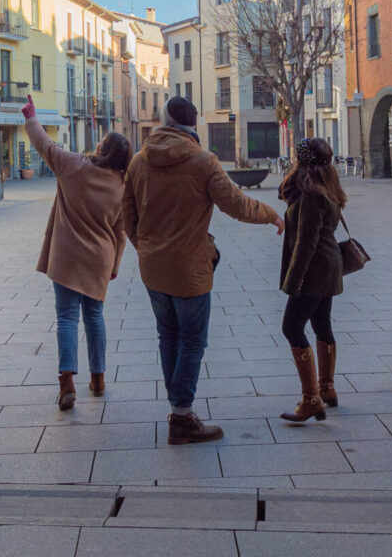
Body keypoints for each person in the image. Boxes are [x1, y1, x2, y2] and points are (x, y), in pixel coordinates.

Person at [123, 94, 282, 444]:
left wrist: (147, 248)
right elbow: (236, 205)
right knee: (192, 340)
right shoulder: (203, 161)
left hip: (153, 267)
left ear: (165, 120)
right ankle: (181, 416)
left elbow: (127, 216)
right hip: (190, 268)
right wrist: (271, 215)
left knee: (168, 336)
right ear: (193, 124)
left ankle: (178, 408)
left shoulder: (138, 162)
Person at [22, 96, 130, 410]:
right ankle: (97, 379)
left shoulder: (73, 165)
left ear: (102, 149)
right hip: (100, 257)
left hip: (66, 256)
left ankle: (66, 382)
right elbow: (121, 232)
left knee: (66, 318)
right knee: (94, 317)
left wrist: (31, 115)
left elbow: (44, 145)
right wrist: (115, 263)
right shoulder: (120, 186)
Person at [276, 136, 345, 424]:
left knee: (292, 327)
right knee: (321, 324)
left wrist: (294, 281)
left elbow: (306, 242)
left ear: (302, 161)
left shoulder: (309, 193)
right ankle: (326, 388)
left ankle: (311, 398)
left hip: (314, 269)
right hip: (329, 267)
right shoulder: (326, 186)